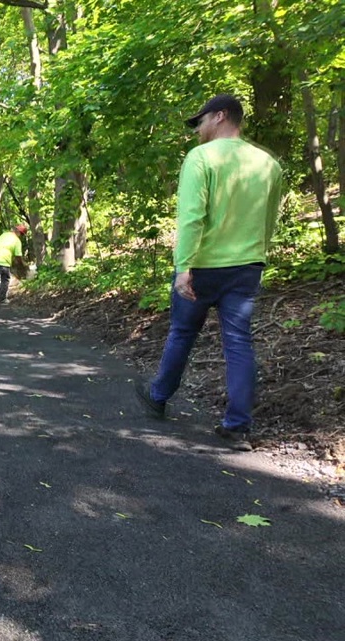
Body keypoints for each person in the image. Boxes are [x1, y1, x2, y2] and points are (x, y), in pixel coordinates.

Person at [134, 94, 284, 451]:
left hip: (202, 266)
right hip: (246, 267)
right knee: (238, 343)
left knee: (183, 331)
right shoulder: (268, 164)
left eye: (200, 121)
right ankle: (236, 426)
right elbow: (269, 219)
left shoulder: (201, 158)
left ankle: (158, 396)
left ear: (220, 116)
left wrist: (183, 266)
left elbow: (192, 216)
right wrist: (258, 255)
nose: (198, 130)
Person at [0, 224, 28, 304]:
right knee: (5, 280)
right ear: (20, 233)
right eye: (22, 235)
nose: (21, 236)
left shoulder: (4, 235)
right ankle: (2, 299)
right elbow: (18, 257)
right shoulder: (17, 241)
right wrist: (23, 265)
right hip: (4, 261)